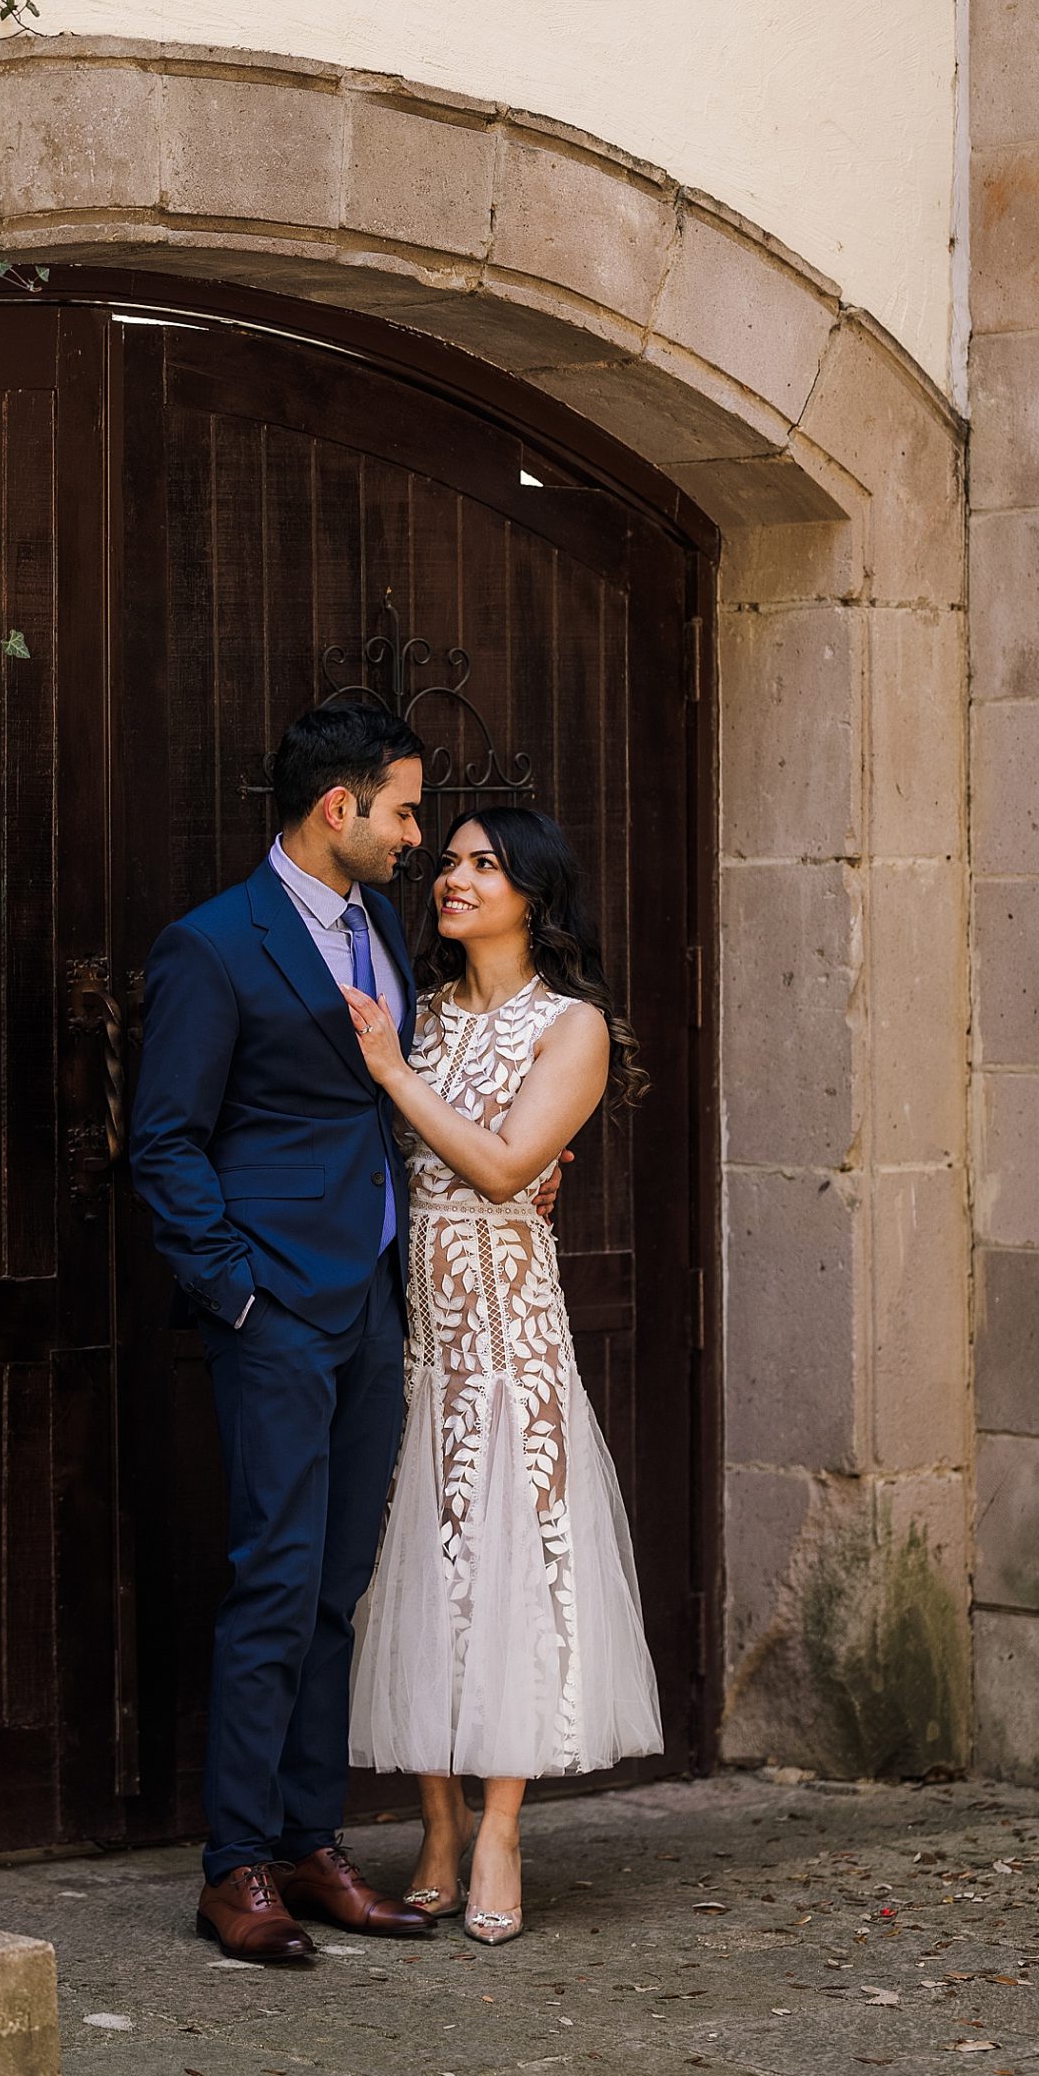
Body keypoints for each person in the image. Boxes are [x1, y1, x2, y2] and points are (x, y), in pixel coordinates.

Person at [130, 706, 565, 1964]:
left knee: (337, 1588)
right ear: (340, 808)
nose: (419, 837)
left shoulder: (378, 925)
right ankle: (235, 1867)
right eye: (406, 812)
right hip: (273, 1309)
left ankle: (310, 1844)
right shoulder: (214, 944)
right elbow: (166, 1141)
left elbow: (396, 1099)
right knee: (275, 1578)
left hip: (378, 1308)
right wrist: (236, 1290)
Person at [344, 804, 662, 1944]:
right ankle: (435, 1825)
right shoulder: (418, 1009)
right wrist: (398, 1061)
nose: (454, 877)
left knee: (509, 1566)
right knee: (415, 1567)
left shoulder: (571, 1027)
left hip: (511, 1337)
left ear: (533, 893)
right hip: (413, 1333)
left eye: (484, 864)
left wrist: (393, 1074)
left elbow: (504, 1165)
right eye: (450, 861)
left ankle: (501, 1830)